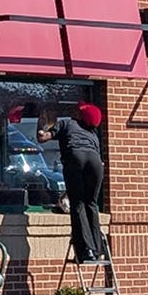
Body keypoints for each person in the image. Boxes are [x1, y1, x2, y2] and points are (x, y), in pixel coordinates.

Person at [37, 101, 107, 263]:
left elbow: (43, 138)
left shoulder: (66, 123)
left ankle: (86, 250)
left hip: (75, 158)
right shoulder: (93, 134)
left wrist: (41, 125)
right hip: (96, 163)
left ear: (80, 115)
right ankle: (97, 249)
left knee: (77, 204)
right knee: (91, 203)